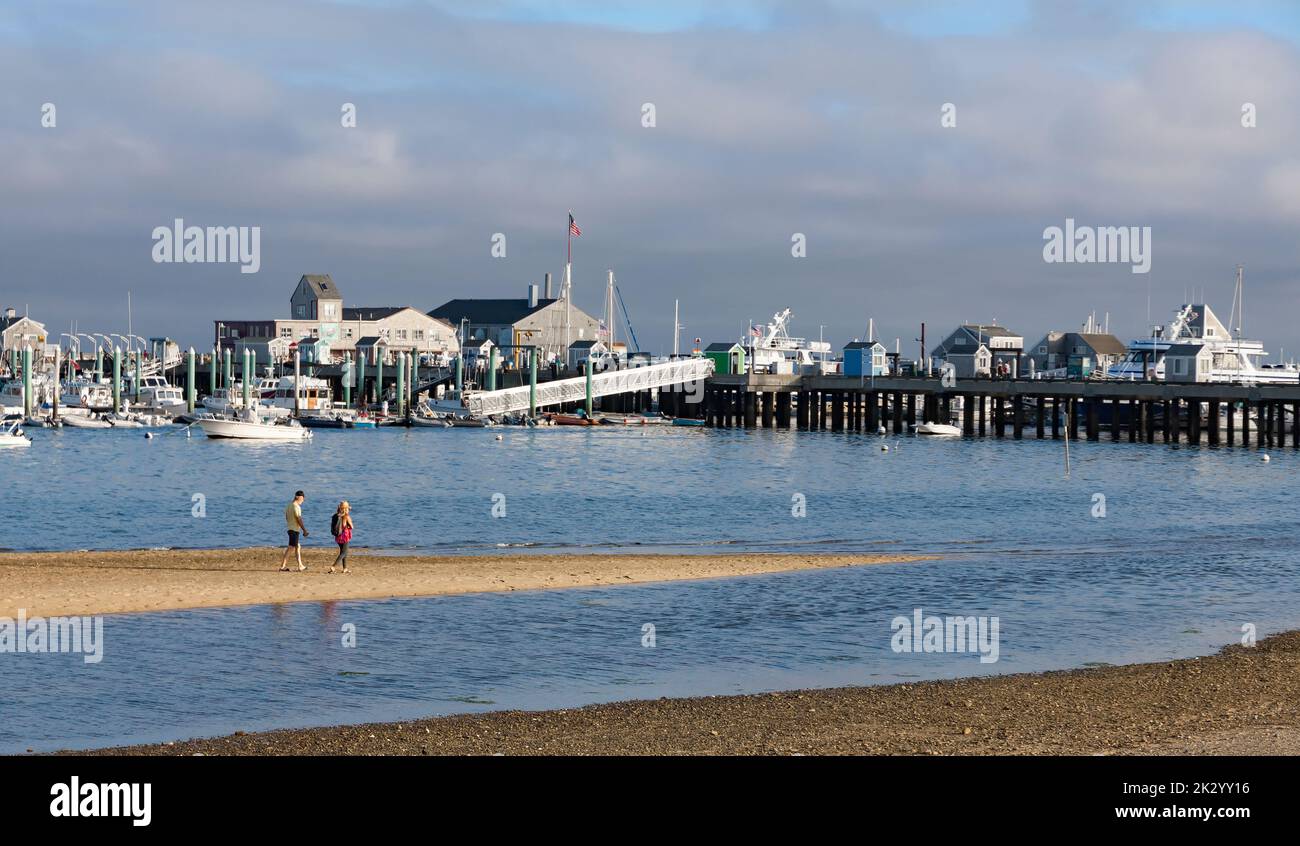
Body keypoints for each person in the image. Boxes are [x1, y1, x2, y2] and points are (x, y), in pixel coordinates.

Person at [279, 490, 308, 572]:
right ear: (298, 497)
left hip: (290, 528)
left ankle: (300, 565)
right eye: (302, 499)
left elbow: (286, 517)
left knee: (297, 546)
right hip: (294, 530)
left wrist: (290, 524)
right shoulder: (296, 507)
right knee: (291, 548)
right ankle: (282, 566)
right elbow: (299, 519)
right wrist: (304, 530)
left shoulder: (288, 506)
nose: (303, 501)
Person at [329, 501, 353, 574]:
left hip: (338, 536)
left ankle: (345, 568)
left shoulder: (337, 516)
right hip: (345, 536)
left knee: (343, 551)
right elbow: (352, 526)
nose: (349, 510)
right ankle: (333, 566)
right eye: (348, 508)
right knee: (344, 552)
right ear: (346, 509)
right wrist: (349, 525)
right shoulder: (346, 516)